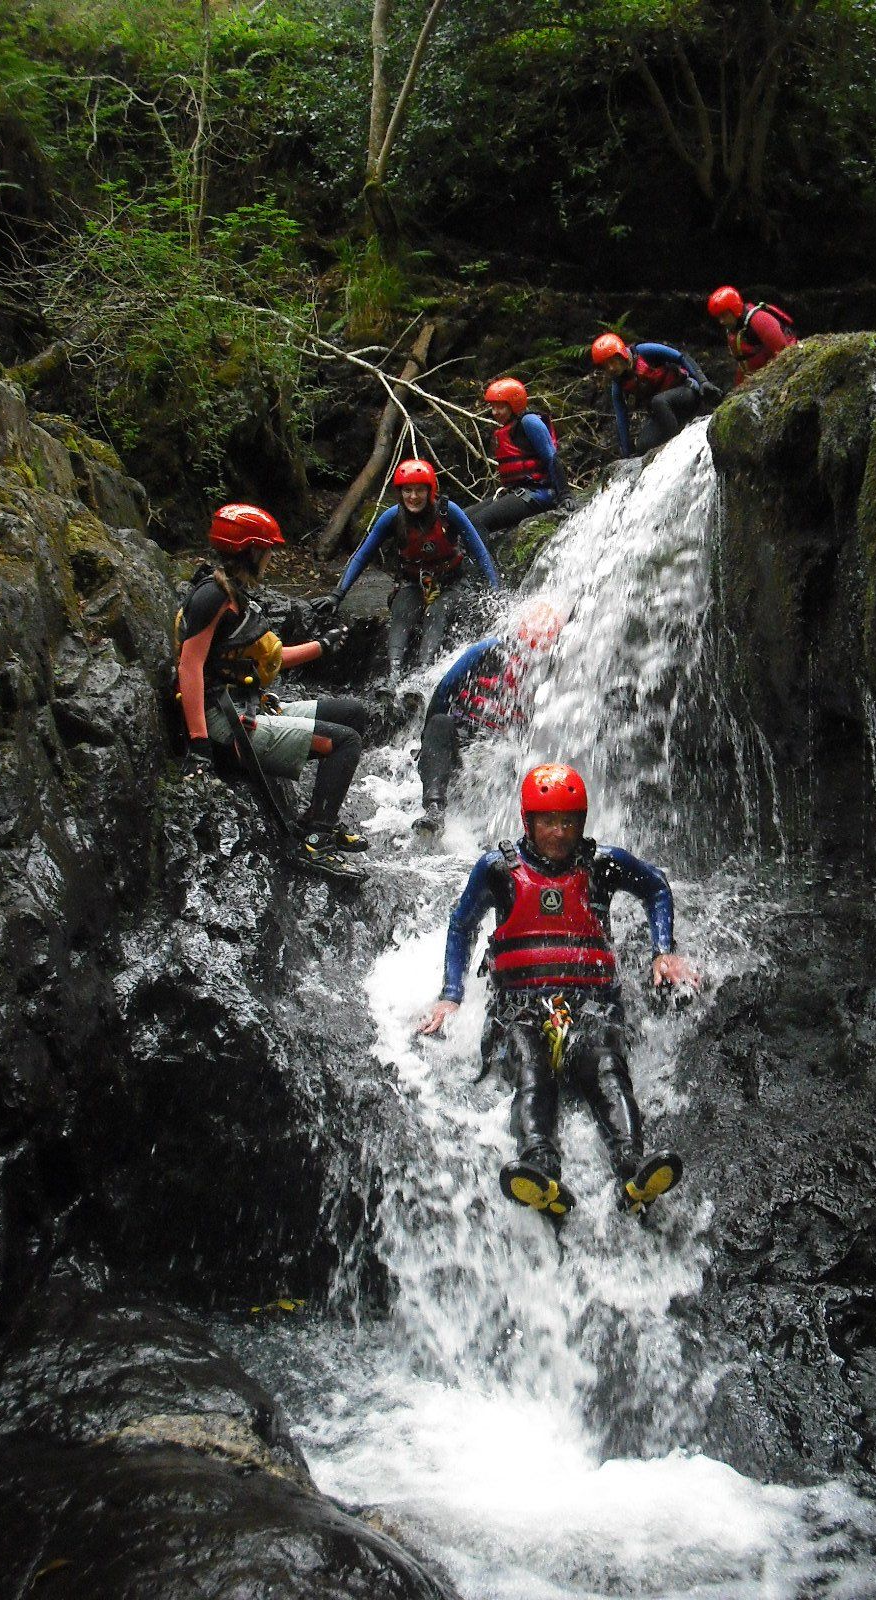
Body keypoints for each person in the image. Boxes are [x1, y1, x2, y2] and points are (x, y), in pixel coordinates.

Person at [416, 763, 699, 1216]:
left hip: (590, 1006)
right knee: (532, 1069)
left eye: (569, 821)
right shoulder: (498, 869)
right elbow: (461, 925)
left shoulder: (603, 865)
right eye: (548, 821)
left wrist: (663, 950)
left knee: (606, 1064)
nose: (559, 832)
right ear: (528, 821)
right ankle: (540, 1169)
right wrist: (451, 994)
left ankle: (632, 1168)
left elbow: (657, 889)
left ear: (582, 821)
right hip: (519, 1007)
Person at [176, 502, 369, 882]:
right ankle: (316, 839)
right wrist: (199, 743)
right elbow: (189, 665)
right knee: (344, 743)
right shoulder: (213, 597)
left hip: (246, 704)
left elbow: (270, 658)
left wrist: (323, 646)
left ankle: (318, 816)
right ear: (250, 550)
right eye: (266, 550)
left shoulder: (232, 592)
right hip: (225, 726)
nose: (269, 558)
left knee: (353, 713)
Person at [322, 458, 500, 683]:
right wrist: (337, 594)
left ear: (430, 490)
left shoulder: (448, 512)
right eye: (407, 490)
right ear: (400, 492)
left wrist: (495, 592)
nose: (413, 497)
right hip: (414, 583)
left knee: (436, 611)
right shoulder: (392, 518)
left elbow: (480, 552)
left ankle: (424, 677)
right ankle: (394, 677)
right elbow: (362, 555)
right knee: (402, 612)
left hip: (451, 584)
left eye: (419, 490)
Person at [412, 600, 565, 836]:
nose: (533, 649)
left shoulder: (549, 676)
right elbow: (443, 692)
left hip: (500, 752)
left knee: (512, 756)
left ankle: (491, 829)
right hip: (460, 739)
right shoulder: (486, 651)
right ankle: (434, 808)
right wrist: (428, 745)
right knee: (440, 723)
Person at [465, 379, 573, 537]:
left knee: (477, 523)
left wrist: (565, 494)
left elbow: (552, 458)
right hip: (517, 492)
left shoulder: (529, 422)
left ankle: (485, 562)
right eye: (493, 407)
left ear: (513, 404)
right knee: (462, 519)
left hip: (539, 494)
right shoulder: (507, 429)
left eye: (500, 407)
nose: (494, 412)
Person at [589, 332, 718, 459]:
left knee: (658, 401)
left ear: (621, 354)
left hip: (685, 394)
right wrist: (626, 451)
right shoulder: (618, 384)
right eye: (606, 366)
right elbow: (621, 417)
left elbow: (681, 357)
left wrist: (703, 381)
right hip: (665, 413)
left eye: (612, 361)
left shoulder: (644, 352)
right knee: (642, 445)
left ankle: (678, 446)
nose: (611, 368)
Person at [706, 286, 797, 385]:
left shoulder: (760, 320)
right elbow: (744, 361)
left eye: (724, 315)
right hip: (755, 374)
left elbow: (784, 354)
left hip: (778, 370)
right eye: (718, 317)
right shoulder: (735, 327)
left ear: (734, 308)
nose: (721, 321)